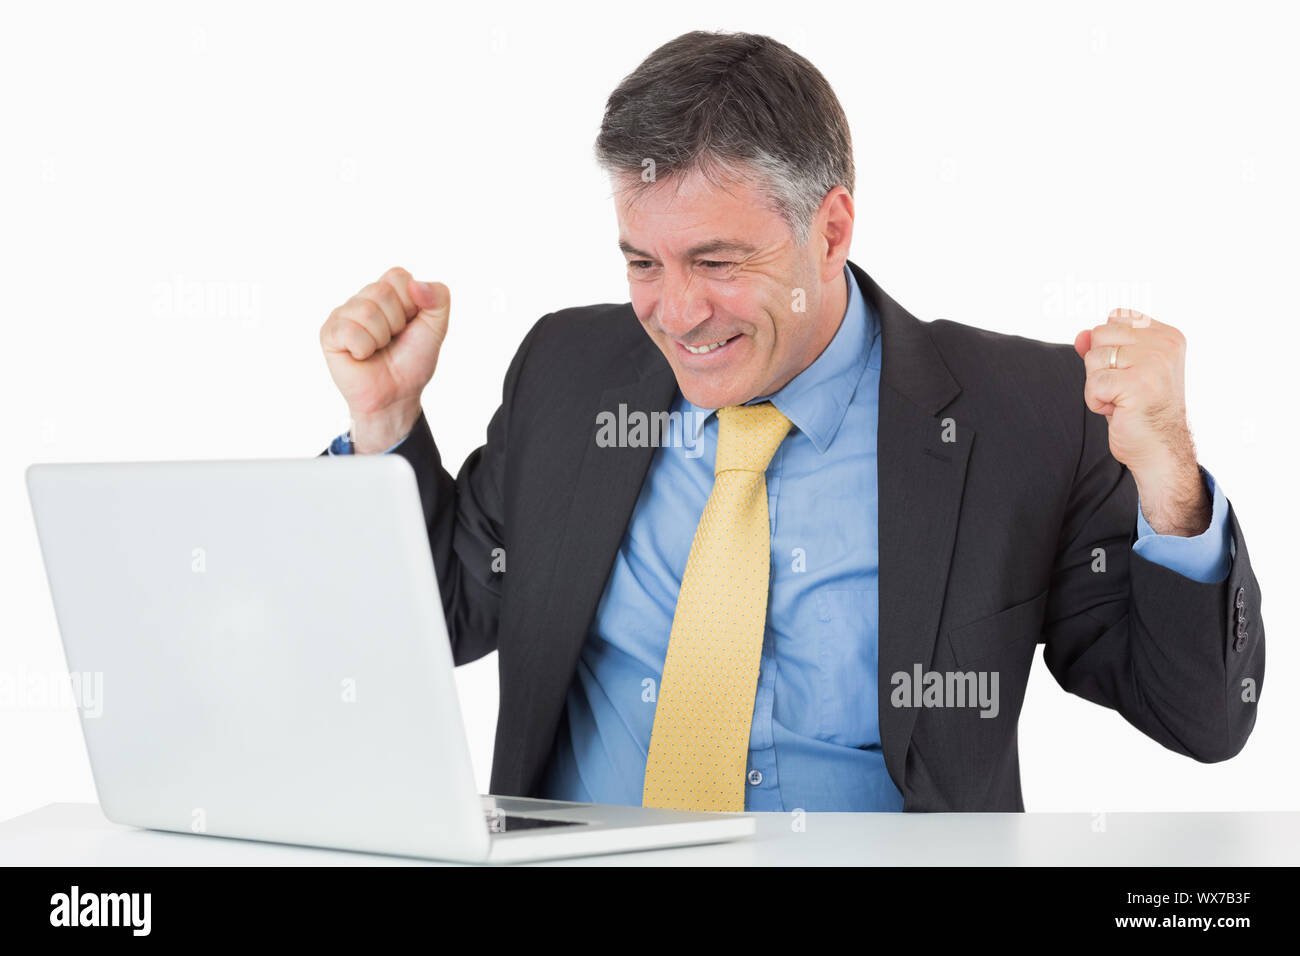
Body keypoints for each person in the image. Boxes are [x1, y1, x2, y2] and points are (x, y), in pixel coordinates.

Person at [317, 31, 1262, 812]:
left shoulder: (1022, 414)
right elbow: (437, 618)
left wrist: (1169, 479)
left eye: (718, 262)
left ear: (832, 230)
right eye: (643, 262)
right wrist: (384, 419)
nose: (676, 314)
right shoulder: (570, 370)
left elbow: (1202, 722)